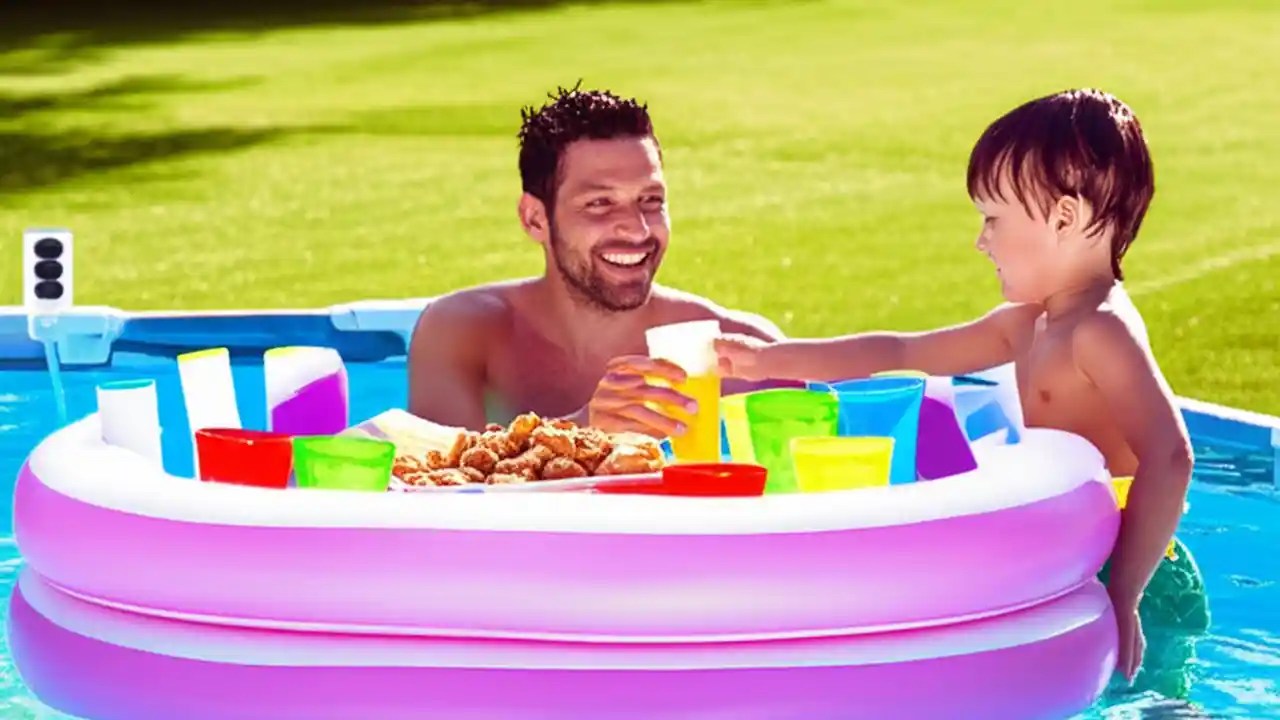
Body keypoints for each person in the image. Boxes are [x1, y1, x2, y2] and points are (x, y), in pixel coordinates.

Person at [714, 88, 1196, 685]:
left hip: (1140, 575)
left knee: (1147, 700)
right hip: (1077, 559)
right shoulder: (1030, 326)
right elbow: (900, 350)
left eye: (994, 218)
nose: (981, 240)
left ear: (1065, 219)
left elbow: (1171, 454)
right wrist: (764, 361)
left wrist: (1125, 586)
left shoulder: (1098, 332)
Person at [408, 84, 782, 438]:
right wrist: (583, 430)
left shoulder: (742, 354)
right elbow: (437, 485)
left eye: (650, 201)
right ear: (535, 219)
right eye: (599, 204)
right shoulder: (465, 333)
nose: (637, 231)